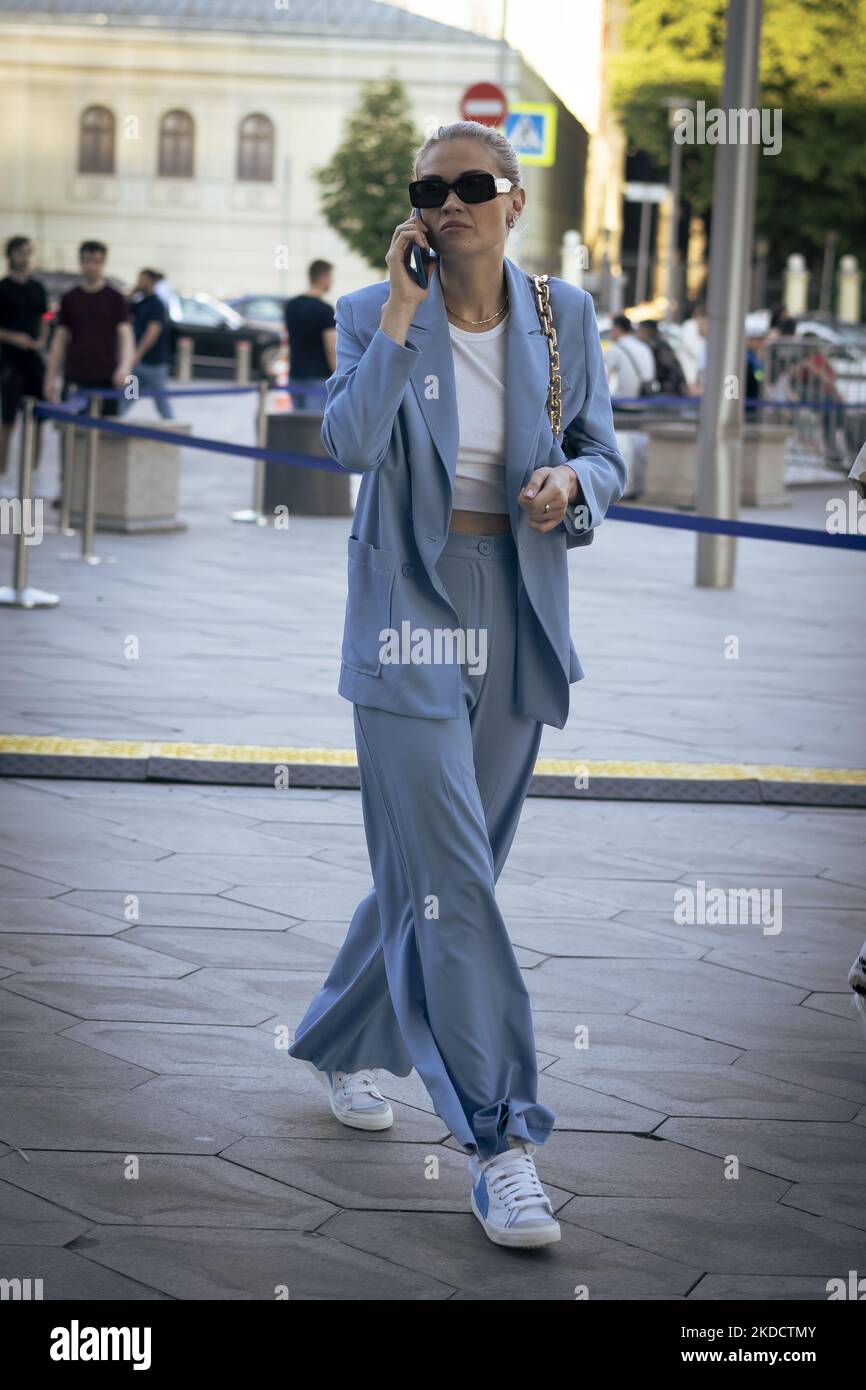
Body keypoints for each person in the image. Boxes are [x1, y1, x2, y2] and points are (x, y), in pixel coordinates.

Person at [287, 121, 627, 1250]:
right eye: (429, 187)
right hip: (405, 616)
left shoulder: (560, 313)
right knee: (455, 881)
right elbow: (346, 444)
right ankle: (500, 1142)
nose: (448, 202)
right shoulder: (371, 313)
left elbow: (604, 452)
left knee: (444, 870)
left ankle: (340, 1036)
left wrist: (568, 482)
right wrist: (392, 315)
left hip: (517, 610)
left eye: (470, 184)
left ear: (513, 198)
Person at [44, 240, 134, 418]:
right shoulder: (70, 298)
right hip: (75, 374)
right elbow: (59, 340)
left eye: (96, 261)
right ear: (81, 262)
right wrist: (50, 378)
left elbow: (126, 336)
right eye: (87, 261)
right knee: (71, 432)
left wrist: (125, 367)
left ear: (103, 263)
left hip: (106, 376)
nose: (91, 266)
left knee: (106, 432)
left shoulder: (115, 298)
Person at [0, 236, 48, 474]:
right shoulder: (3, 288)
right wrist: (12, 338)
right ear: (10, 255)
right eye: (19, 252)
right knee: (7, 418)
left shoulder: (37, 287)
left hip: (33, 358)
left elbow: (46, 315)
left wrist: (42, 338)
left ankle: (33, 472)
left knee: (39, 417)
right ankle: (2, 472)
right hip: (9, 359)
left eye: (27, 252)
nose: (24, 257)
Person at [122, 268, 175, 419]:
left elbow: (152, 332)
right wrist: (134, 290)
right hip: (139, 363)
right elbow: (123, 307)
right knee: (128, 396)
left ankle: (171, 426)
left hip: (155, 363)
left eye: (142, 279)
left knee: (161, 400)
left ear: (151, 281)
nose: (139, 282)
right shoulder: (140, 302)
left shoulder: (157, 304)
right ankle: (117, 420)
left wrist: (136, 355)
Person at [284, 260, 336, 408]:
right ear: (323, 277)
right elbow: (331, 349)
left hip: (295, 374)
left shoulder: (291, 305)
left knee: (299, 424)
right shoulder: (325, 309)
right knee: (314, 426)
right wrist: (338, 378)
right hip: (318, 378)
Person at [604, 313, 657, 399]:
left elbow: (605, 380)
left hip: (624, 401)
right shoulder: (644, 346)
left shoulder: (616, 348)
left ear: (617, 329)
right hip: (645, 398)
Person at [635, 318, 689, 396]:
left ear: (647, 330)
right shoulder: (660, 344)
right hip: (671, 390)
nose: (638, 334)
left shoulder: (655, 346)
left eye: (640, 330)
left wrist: (668, 389)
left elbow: (670, 368)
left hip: (670, 392)